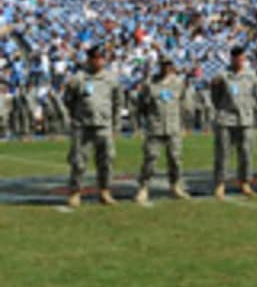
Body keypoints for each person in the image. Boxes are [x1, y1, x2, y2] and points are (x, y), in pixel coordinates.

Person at [63, 45, 125, 207]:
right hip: (82, 126)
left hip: (104, 126)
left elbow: (118, 103)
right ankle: (75, 192)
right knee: (78, 161)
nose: (99, 61)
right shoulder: (78, 78)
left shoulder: (111, 79)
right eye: (95, 58)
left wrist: (115, 125)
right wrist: (76, 118)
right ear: (89, 59)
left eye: (101, 58)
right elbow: (68, 100)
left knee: (106, 160)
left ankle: (104, 191)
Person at [134, 55, 191, 203]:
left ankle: (175, 185)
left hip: (173, 126)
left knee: (175, 159)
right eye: (164, 64)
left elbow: (184, 104)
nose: (166, 67)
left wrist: (184, 124)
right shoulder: (150, 83)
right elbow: (141, 105)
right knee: (150, 159)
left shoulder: (178, 83)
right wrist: (143, 124)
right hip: (155, 127)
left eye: (169, 64)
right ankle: (143, 187)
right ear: (160, 66)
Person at [210, 45, 257, 200]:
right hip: (226, 118)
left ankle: (245, 182)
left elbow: (256, 96)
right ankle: (220, 184)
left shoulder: (251, 75)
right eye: (237, 58)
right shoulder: (222, 76)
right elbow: (215, 98)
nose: (240, 61)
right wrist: (223, 109)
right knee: (223, 153)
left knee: (246, 152)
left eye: (242, 58)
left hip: (246, 119)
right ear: (231, 58)